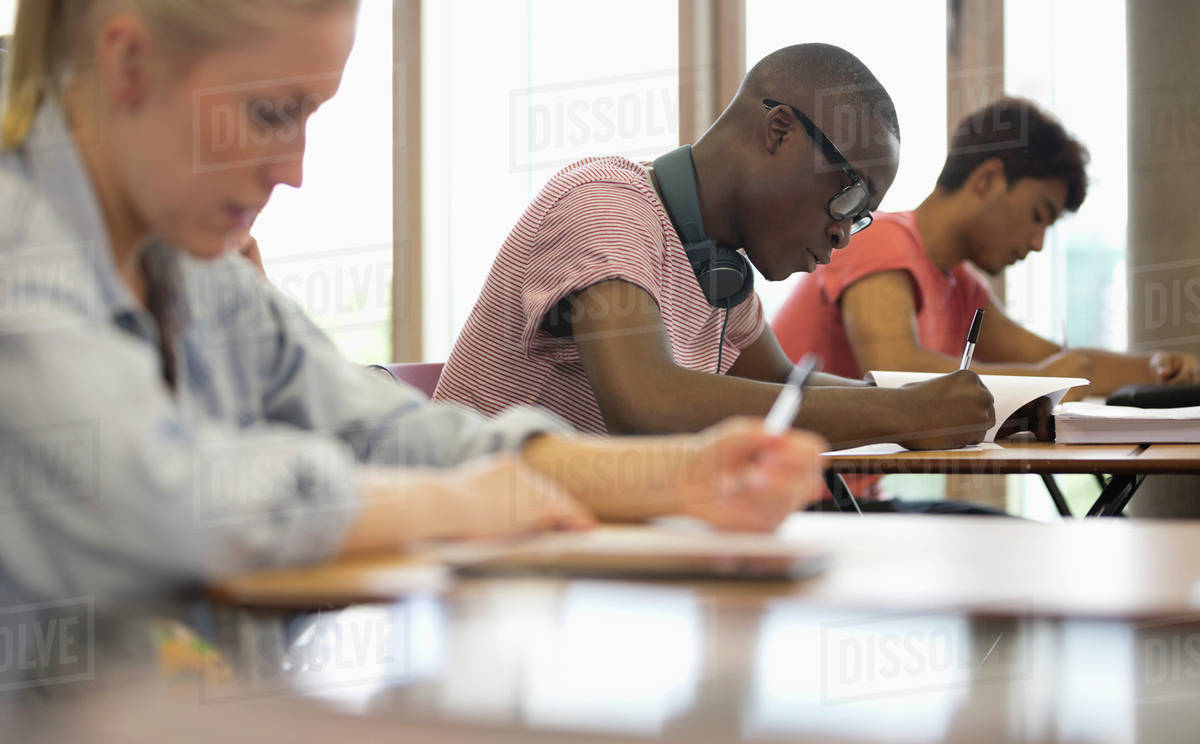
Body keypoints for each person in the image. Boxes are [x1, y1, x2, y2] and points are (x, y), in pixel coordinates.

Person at [0, 0, 828, 605]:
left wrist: (680, 474)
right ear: (128, 64)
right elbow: (157, 503)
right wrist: (450, 504)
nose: (293, 170)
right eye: (269, 114)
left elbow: (403, 435)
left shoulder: (195, 274)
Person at [434, 43, 996, 463]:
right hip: (488, 567)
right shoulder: (605, 205)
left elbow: (781, 383)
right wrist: (907, 414)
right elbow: (648, 407)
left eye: (861, 217)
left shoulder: (717, 267)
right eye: (848, 197)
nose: (844, 235)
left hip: (587, 563)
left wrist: (958, 404)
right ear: (779, 130)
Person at [772, 97, 1199, 394]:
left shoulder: (962, 287)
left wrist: (1164, 368)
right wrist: (1041, 382)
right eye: (1038, 215)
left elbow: (1063, 363)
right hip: (797, 506)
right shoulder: (881, 238)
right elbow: (894, 370)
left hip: (855, 502)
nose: (1036, 244)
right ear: (988, 180)